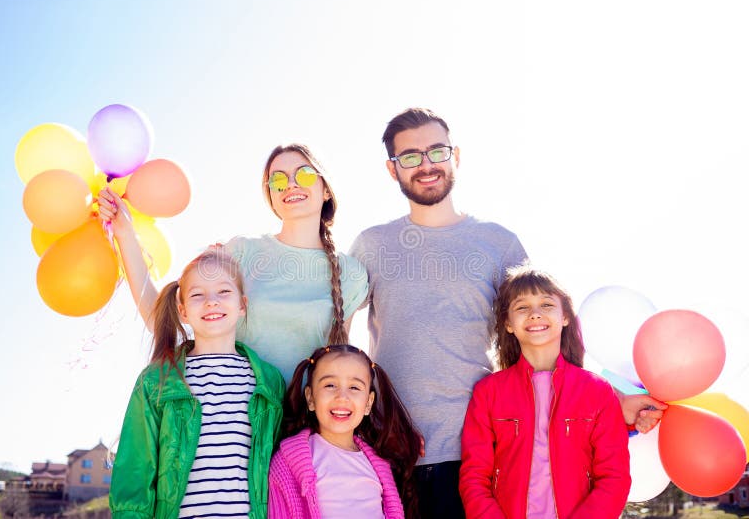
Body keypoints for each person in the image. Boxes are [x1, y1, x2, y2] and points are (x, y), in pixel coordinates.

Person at [349, 108, 663, 518]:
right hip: (386, 448)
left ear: (455, 156)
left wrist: (613, 397)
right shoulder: (373, 245)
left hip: (479, 454)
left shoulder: (498, 244)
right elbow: (332, 327)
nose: (425, 165)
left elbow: (542, 335)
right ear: (393, 170)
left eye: (436, 151)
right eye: (409, 156)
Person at [99, 143, 368, 381]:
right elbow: (163, 318)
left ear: (325, 190)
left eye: (304, 174)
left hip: (303, 433)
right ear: (271, 197)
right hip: (240, 426)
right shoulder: (240, 253)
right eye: (277, 180)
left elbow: (341, 369)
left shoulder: (351, 274)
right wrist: (125, 234)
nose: (291, 184)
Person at [109, 249, 285, 519]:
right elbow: (135, 469)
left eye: (224, 292)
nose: (211, 302)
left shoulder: (269, 382)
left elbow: (279, 469)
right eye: (197, 295)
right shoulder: (158, 380)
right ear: (183, 311)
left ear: (242, 305)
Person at [459, 265, 630, 518]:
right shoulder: (488, 392)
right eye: (522, 307)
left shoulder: (597, 392)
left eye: (546, 305)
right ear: (508, 323)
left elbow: (614, 477)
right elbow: (474, 478)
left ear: (565, 317)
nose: (535, 314)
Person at [268, 344, 422, 519]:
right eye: (330, 385)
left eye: (354, 387)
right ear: (310, 398)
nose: (342, 396)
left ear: (369, 403)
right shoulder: (289, 462)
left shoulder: (379, 464)